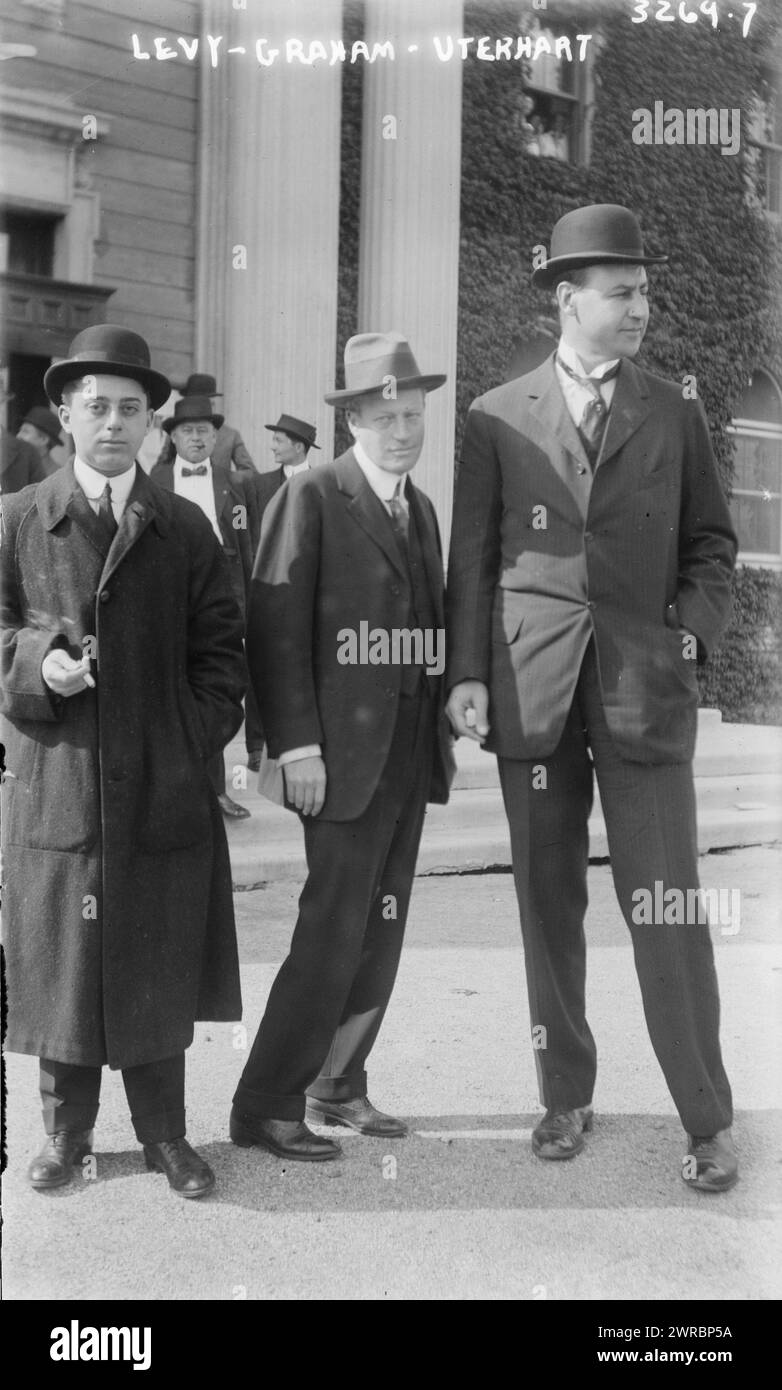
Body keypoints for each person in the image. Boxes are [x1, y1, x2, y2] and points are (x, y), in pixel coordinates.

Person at [446, 205, 739, 1193]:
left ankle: (703, 1117)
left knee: (664, 904)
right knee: (545, 904)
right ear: (567, 300)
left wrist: (687, 628)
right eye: (622, 292)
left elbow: (710, 544)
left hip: (641, 689)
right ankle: (561, 1094)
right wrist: (469, 676)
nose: (641, 308)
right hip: (533, 691)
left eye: (645, 291)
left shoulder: (674, 411)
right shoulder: (491, 414)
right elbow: (474, 559)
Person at [0, 324, 246, 1199]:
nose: (112, 422)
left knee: (156, 955)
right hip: (59, 784)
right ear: (64, 413)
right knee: (63, 962)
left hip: (160, 783)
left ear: (153, 421)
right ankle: (64, 1137)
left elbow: (224, 655)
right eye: (95, 405)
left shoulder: (183, 528)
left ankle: (166, 1137)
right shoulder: (19, 519)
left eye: (130, 407)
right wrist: (38, 664)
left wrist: (187, 737)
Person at [230, 332, 455, 1161]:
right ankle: (263, 1102)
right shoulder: (314, 493)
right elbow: (275, 630)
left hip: (406, 754)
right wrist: (296, 748)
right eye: (385, 415)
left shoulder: (421, 508)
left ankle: (339, 1081)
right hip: (337, 760)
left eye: (413, 413)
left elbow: (427, 627)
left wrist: (450, 698)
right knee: (331, 925)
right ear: (353, 418)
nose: (402, 429)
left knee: (381, 924)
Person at [152, 395, 257, 819]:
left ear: (217, 438)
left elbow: (245, 543)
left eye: (204, 432)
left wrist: (249, 601)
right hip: (170, 595)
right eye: (187, 431)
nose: (196, 439)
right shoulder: (152, 480)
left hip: (222, 598)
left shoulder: (235, 484)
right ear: (173, 437)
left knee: (218, 688)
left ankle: (216, 790)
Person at [243, 412, 320, 771]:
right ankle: (256, 744)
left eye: (279, 440)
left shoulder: (325, 483)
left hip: (312, 592)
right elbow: (248, 537)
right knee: (261, 664)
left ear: (299, 446)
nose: (272, 446)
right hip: (269, 588)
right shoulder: (257, 486)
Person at [153, 373, 257, 474]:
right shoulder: (177, 432)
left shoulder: (231, 435)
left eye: (209, 403)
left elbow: (250, 473)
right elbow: (159, 470)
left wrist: (228, 485)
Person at [16, 404, 63, 473]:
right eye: (20, 430)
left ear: (43, 439)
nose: (18, 436)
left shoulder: (57, 476)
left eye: (25, 431)